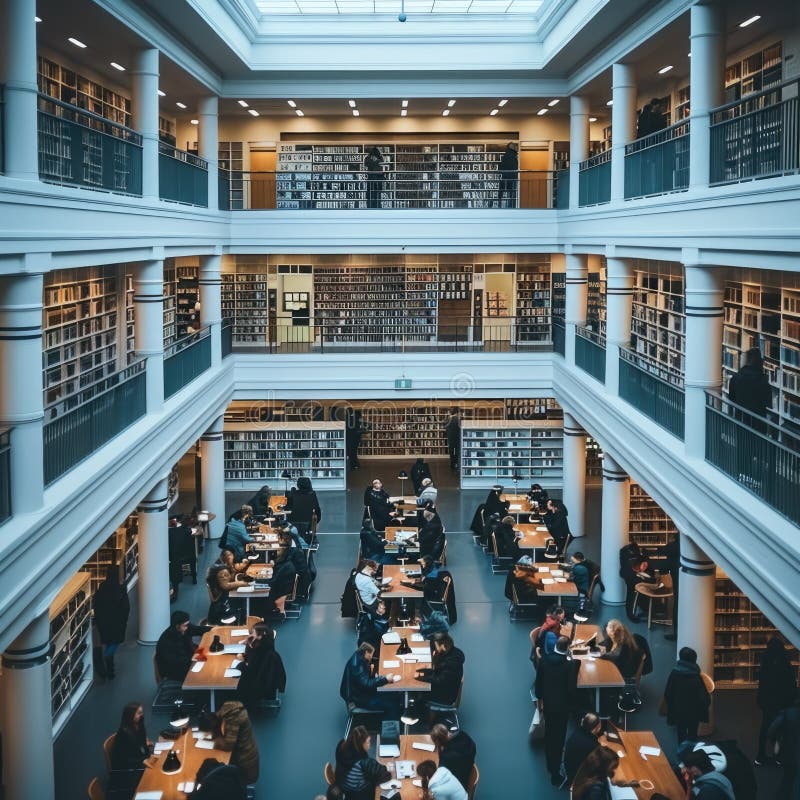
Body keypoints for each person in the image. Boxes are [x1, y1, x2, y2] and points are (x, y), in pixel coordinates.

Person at [535, 635, 580, 786]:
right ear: (567, 649)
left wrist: (540, 697)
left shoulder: (544, 660)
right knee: (559, 737)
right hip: (562, 708)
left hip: (548, 704)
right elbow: (571, 690)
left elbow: (538, 684)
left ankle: (550, 764)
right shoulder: (570, 665)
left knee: (550, 732)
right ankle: (555, 772)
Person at [756, 637, 797, 765]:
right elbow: (791, 686)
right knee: (782, 728)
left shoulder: (765, 664)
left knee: (765, 727)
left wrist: (761, 701)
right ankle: (779, 756)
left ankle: (760, 755)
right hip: (782, 702)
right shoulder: (786, 665)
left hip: (767, 702)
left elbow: (762, 685)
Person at [662, 647, 711, 745]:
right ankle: (691, 754)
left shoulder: (675, 673)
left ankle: (681, 754)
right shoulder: (696, 675)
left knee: (681, 733)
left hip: (679, 710)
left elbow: (668, 693)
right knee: (693, 733)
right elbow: (703, 697)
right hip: (694, 712)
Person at [339, 642, 399, 715]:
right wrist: (385, 679)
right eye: (371, 654)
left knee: (394, 695)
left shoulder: (358, 657)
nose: (371, 657)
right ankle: (392, 724)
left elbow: (362, 680)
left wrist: (372, 672)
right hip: (358, 699)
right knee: (391, 704)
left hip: (360, 693)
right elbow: (367, 684)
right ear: (366, 652)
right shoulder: (357, 666)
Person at [92, 565, 130, 679]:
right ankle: (108, 660)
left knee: (108, 641)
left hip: (104, 622)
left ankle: (109, 669)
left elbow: (95, 603)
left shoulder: (102, 588)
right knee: (114, 642)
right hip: (117, 622)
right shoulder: (120, 589)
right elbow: (126, 607)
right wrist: (124, 619)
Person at [334, 725, 391, 800]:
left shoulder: (342, 749)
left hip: (347, 792)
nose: (370, 745)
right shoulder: (365, 763)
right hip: (363, 795)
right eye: (368, 742)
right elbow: (385, 775)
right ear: (360, 745)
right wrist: (388, 767)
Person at [237, 623, 286, 708]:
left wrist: (241, 663)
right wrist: (248, 644)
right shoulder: (266, 648)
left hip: (257, 689)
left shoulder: (260, 653)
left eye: (252, 633)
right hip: (262, 684)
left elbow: (250, 672)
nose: (250, 635)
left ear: (260, 637)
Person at [155, 611, 210, 683]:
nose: (188, 627)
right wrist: (193, 657)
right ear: (177, 626)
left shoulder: (184, 628)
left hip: (187, 660)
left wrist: (214, 629)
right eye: (185, 625)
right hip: (174, 671)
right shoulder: (167, 641)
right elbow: (175, 661)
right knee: (206, 673)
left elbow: (198, 629)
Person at [212, 700, 260, 784]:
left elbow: (228, 745)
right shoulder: (232, 708)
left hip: (246, 765)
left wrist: (212, 743)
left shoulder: (233, 716)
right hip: (245, 757)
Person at [415, 632, 465, 707]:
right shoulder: (452, 652)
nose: (436, 649)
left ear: (443, 646)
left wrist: (419, 678)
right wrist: (422, 671)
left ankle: (421, 714)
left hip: (445, 697)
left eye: (436, 646)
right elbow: (440, 672)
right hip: (446, 688)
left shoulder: (451, 663)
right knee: (419, 687)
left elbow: (439, 680)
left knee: (417, 692)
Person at [729, 347, 773, 426]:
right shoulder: (762, 380)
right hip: (758, 420)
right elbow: (768, 402)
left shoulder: (736, 377)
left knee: (742, 437)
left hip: (741, 418)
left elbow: (731, 398)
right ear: (759, 362)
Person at [206, 548, 250, 624]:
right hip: (223, 602)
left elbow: (233, 569)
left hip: (221, 597)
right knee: (243, 599)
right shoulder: (222, 570)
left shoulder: (221, 564)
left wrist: (245, 564)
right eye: (230, 556)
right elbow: (225, 586)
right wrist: (242, 583)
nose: (232, 557)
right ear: (228, 557)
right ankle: (243, 621)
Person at [768, 696, 800, 798]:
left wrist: (777, 742)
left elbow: (771, 731)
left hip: (791, 754)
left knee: (788, 781)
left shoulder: (788, 713)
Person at [430, 724, 476, 791]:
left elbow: (439, 775)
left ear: (438, 742)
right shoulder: (463, 735)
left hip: (457, 787)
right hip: (465, 775)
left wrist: (440, 749)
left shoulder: (447, 757)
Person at [110, 702, 151, 771]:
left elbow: (142, 744)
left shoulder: (139, 725)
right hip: (128, 768)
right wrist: (142, 761)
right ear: (131, 715)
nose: (142, 715)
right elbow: (124, 759)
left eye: (142, 712)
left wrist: (148, 755)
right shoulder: (124, 733)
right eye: (139, 713)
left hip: (139, 758)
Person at [563, 712, 602, 785]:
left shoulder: (576, 732)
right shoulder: (592, 746)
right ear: (597, 727)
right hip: (580, 780)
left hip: (570, 771)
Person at [285, 476, 322, 543]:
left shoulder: (293, 494)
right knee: (316, 517)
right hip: (308, 522)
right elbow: (317, 509)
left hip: (293, 521)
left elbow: (287, 507)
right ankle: (313, 535)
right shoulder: (312, 494)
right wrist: (317, 521)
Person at [168, 516, 197, 599]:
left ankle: (175, 592)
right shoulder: (185, 530)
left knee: (173, 567)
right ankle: (194, 578)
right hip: (188, 555)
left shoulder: (169, 533)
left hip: (175, 558)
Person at [268, 544, 298, 616]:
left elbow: (272, 581)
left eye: (278, 550)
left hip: (278, 593)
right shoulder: (286, 563)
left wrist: (256, 580)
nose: (275, 552)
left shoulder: (285, 567)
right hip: (281, 589)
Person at [497, 142, 519, 208]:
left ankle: (500, 206)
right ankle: (511, 207)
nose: (517, 148)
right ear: (512, 147)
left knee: (501, 193)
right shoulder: (513, 156)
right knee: (511, 194)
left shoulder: (505, 155)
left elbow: (500, 167)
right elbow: (515, 167)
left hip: (504, 177)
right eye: (515, 147)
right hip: (511, 178)